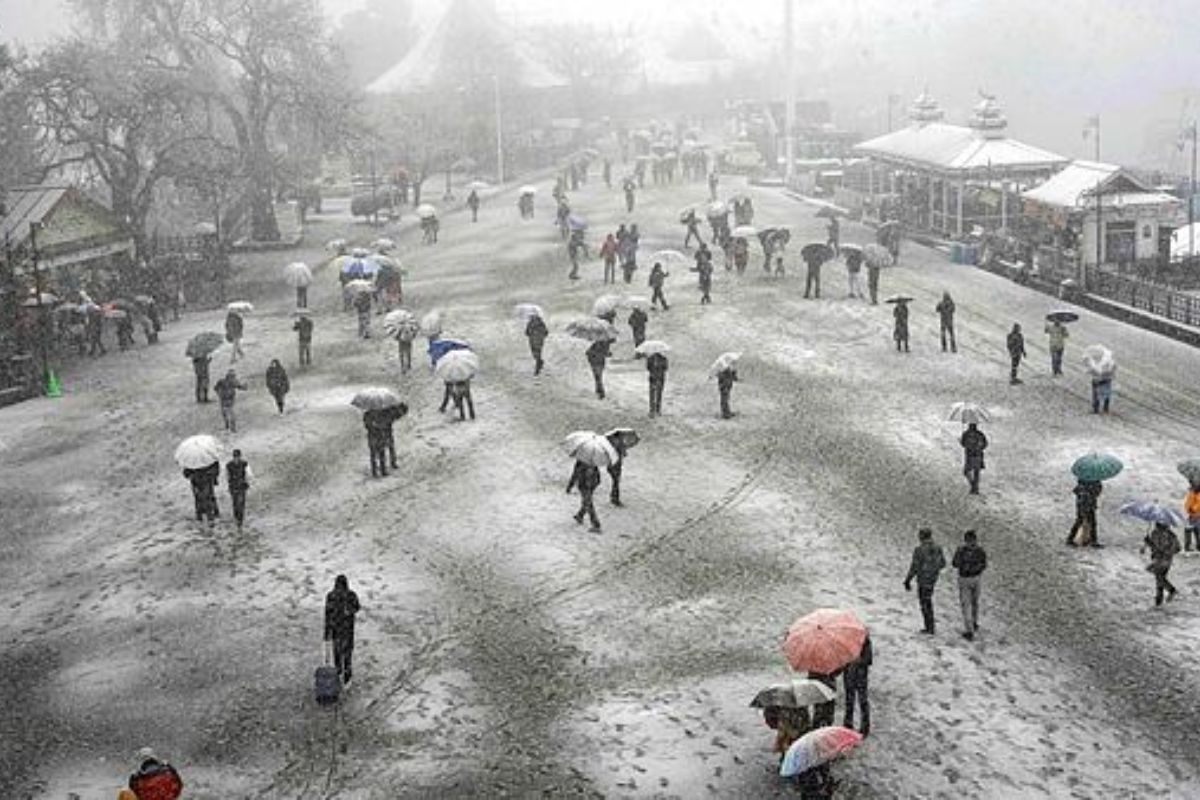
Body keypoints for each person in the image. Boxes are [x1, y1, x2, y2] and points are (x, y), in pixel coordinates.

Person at [904, 527, 946, 634]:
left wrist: (908, 580)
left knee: (924, 603)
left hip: (923, 579)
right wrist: (934, 569)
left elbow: (914, 567)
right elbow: (943, 563)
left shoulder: (919, 549)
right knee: (928, 600)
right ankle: (930, 626)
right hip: (933, 578)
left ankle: (929, 627)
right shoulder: (938, 548)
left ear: (922, 536)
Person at [324, 575, 360, 686]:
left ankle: (344, 677)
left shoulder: (334, 596)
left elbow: (328, 615)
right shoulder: (346, 595)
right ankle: (342, 677)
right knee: (342, 655)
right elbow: (328, 614)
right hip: (343, 630)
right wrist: (327, 632)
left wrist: (327, 632)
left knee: (342, 655)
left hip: (343, 630)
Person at [951, 530, 987, 640]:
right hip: (976, 578)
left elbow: (955, 564)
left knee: (966, 604)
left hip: (964, 578)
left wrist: (964, 565)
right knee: (975, 602)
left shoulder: (961, 550)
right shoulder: (980, 550)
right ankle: (974, 622)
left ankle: (969, 630)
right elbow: (984, 565)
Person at [1143, 522, 1181, 606]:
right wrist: (1148, 542)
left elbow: (1157, 547)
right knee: (1160, 578)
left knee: (1159, 578)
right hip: (1166, 560)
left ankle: (1171, 590)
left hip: (1161, 560)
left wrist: (1149, 543)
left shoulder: (1158, 533)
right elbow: (1178, 548)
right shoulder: (1171, 535)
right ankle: (1159, 600)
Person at [842, 634, 872, 736]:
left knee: (862, 701)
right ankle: (848, 724)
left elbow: (868, 659)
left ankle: (865, 727)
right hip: (849, 674)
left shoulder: (865, 640)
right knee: (849, 701)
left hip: (860, 675)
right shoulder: (845, 640)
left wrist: (858, 660)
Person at [566, 459, 602, 532]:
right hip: (590, 484)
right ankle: (580, 515)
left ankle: (596, 524)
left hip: (585, 485)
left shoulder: (581, 462)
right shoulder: (594, 461)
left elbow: (574, 474)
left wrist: (570, 486)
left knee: (588, 503)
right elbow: (598, 476)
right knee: (587, 502)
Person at [1066, 479, 1102, 547]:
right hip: (1087, 503)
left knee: (1083, 521)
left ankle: (1071, 539)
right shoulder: (1095, 480)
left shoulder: (1082, 480)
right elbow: (1097, 492)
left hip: (1083, 503)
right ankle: (1092, 540)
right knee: (1086, 521)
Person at [960, 422, 987, 495]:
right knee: (976, 472)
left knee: (966, 471)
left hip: (970, 455)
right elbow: (985, 444)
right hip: (978, 455)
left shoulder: (966, 434)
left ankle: (973, 486)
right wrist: (979, 448)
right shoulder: (980, 434)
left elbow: (963, 444)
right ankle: (975, 488)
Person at [226, 449, 250, 531]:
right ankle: (237, 517)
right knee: (235, 502)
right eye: (235, 457)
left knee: (240, 502)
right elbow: (227, 476)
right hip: (235, 486)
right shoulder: (230, 465)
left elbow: (248, 474)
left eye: (237, 457)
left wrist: (246, 481)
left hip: (240, 486)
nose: (236, 458)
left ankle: (239, 519)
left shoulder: (243, 464)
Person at [605, 431, 627, 507]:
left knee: (615, 482)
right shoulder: (620, 444)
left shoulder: (610, 444)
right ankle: (615, 499)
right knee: (616, 482)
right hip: (616, 465)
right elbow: (625, 454)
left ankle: (614, 497)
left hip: (610, 465)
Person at [647, 351, 668, 416]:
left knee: (654, 394)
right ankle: (655, 410)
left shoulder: (650, 358)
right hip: (658, 378)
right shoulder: (663, 359)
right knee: (656, 394)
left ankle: (654, 410)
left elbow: (648, 368)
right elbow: (665, 368)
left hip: (656, 378)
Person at [1184, 483, 1200, 552]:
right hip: (1192, 516)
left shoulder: (1195, 494)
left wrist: (1193, 509)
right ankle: (1188, 546)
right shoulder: (1191, 494)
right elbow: (1187, 505)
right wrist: (1190, 509)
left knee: (1194, 531)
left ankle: (1191, 546)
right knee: (1192, 531)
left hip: (1196, 515)